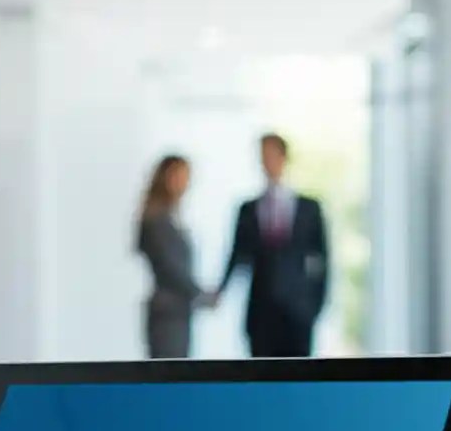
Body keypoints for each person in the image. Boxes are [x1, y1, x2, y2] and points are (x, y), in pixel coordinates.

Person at [220, 133, 329, 358]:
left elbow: (321, 261)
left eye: (271, 155)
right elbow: (237, 255)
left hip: (298, 311)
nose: (267, 162)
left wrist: (316, 305)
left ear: (284, 158)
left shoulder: (309, 208)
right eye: (263, 156)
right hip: (260, 311)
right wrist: (220, 291)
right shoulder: (248, 209)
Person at [137, 155, 215, 359]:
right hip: (167, 313)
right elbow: (169, 267)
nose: (184, 183)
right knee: (170, 369)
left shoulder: (172, 217)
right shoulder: (157, 220)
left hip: (179, 310)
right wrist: (200, 293)